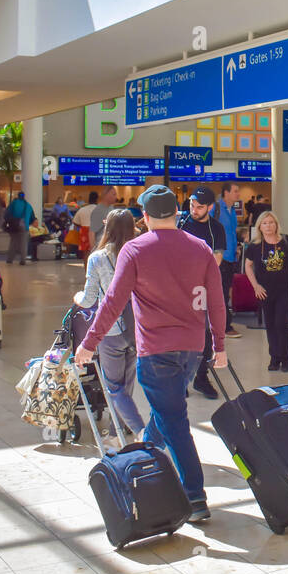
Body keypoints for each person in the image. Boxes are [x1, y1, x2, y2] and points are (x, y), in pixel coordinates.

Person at [73, 185, 225, 523]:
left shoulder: (134, 250)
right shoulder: (200, 247)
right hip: (191, 349)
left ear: (144, 215)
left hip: (155, 351)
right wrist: (220, 345)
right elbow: (216, 299)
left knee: (175, 420)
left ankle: (195, 497)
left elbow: (113, 302)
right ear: (176, 213)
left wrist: (89, 343)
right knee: (165, 412)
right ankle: (143, 466)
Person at [78, 208, 152, 439]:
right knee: (127, 384)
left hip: (109, 331)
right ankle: (118, 428)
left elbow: (89, 299)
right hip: (137, 327)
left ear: (107, 228)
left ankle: (138, 430)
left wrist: (76, 298)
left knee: (113, 386)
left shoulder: (97, 258)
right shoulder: (141, 253)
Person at [178, 186, 226, 398]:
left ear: (210, 207)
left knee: (205, 334)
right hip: (179, 289)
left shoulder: (216, 229)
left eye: (199, 207)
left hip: (204, 289)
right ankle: (181, 378)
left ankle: (201, 377)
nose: (194, 210)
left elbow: (216, 260)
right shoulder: (180, 223)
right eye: (191, 205)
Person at [244, 211, 288, 372]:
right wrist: (255, 285)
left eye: (271, 222)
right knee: (270, 324)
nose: (268, 226)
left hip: (285, 289)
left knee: (281, 322)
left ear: (276, 224)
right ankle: (274, 357)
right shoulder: (255, 246)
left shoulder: (286, 241)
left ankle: (285, 358)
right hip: (265, 291)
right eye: (265, 223)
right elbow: (247, 266)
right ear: (260, 227)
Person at [215, 183, 243, 338]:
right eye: (235, 191)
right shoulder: (216, 209)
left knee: (226, 292)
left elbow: (231, 232)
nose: (238, 194)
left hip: (231, 258)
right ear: (226, 193)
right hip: (219, 258)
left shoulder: (232, 211)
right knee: (222, 293)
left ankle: (223, 324)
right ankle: (225, 326)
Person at [4, 191, 34, 266]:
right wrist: (27, 223)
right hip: (24, 226)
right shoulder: (28, 205)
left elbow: (7, 213)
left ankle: (10, 259)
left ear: (18, 196)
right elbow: (32, 218)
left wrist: (9, 221)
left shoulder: (13, 203)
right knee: (24, 244)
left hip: (14, 226)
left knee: (13, 242)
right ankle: (23, 260)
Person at [73, 191, 98, 256]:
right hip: (96, 231)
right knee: (96, 252)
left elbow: (75, 222)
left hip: (84, 231)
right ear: (97, 199)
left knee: (85, 253)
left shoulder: (82, 209)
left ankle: (86, 265)